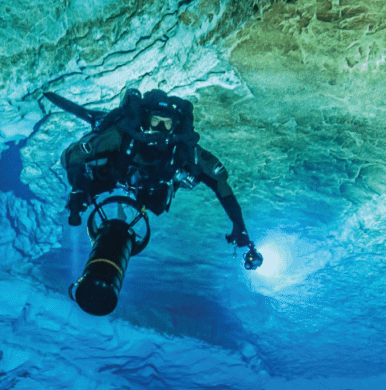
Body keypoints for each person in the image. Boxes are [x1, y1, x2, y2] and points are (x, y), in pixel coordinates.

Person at [47, 88, 262, 269]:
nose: (159, 129)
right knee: (96, 175)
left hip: (151, 186)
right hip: (118, 172)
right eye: (155, 121)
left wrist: (239, 224)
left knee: (157, 200)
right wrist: (79, 187)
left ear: (175, 126)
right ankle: (98, 122)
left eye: (166, 124)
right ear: (145, 120)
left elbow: (219, 182)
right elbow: (73, 157)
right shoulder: (122, 136)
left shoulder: (183, 151)